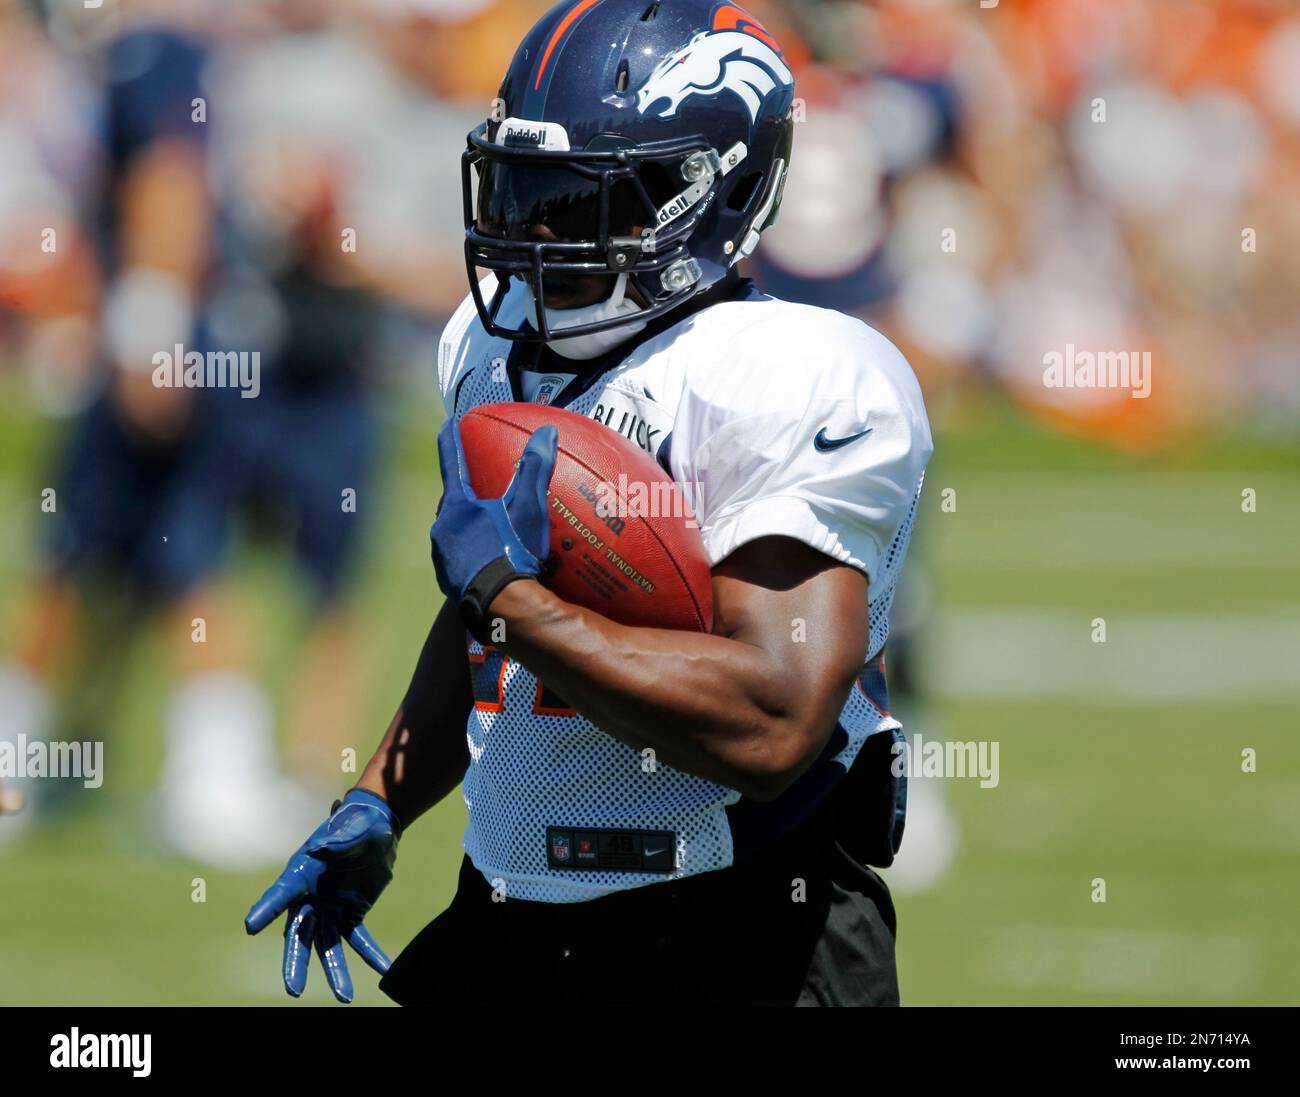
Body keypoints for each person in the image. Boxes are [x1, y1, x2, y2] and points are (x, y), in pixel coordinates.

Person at [246, 0, 932, 1007]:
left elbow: (772, 718)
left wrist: (512, 602)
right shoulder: (488, 346)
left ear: (715, 187)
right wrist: (379, 796)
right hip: (514, 901)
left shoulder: (797, 375)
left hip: (741, 927)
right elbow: (492, 609)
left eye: (577, 195)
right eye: (521, 188)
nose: (532, 228)